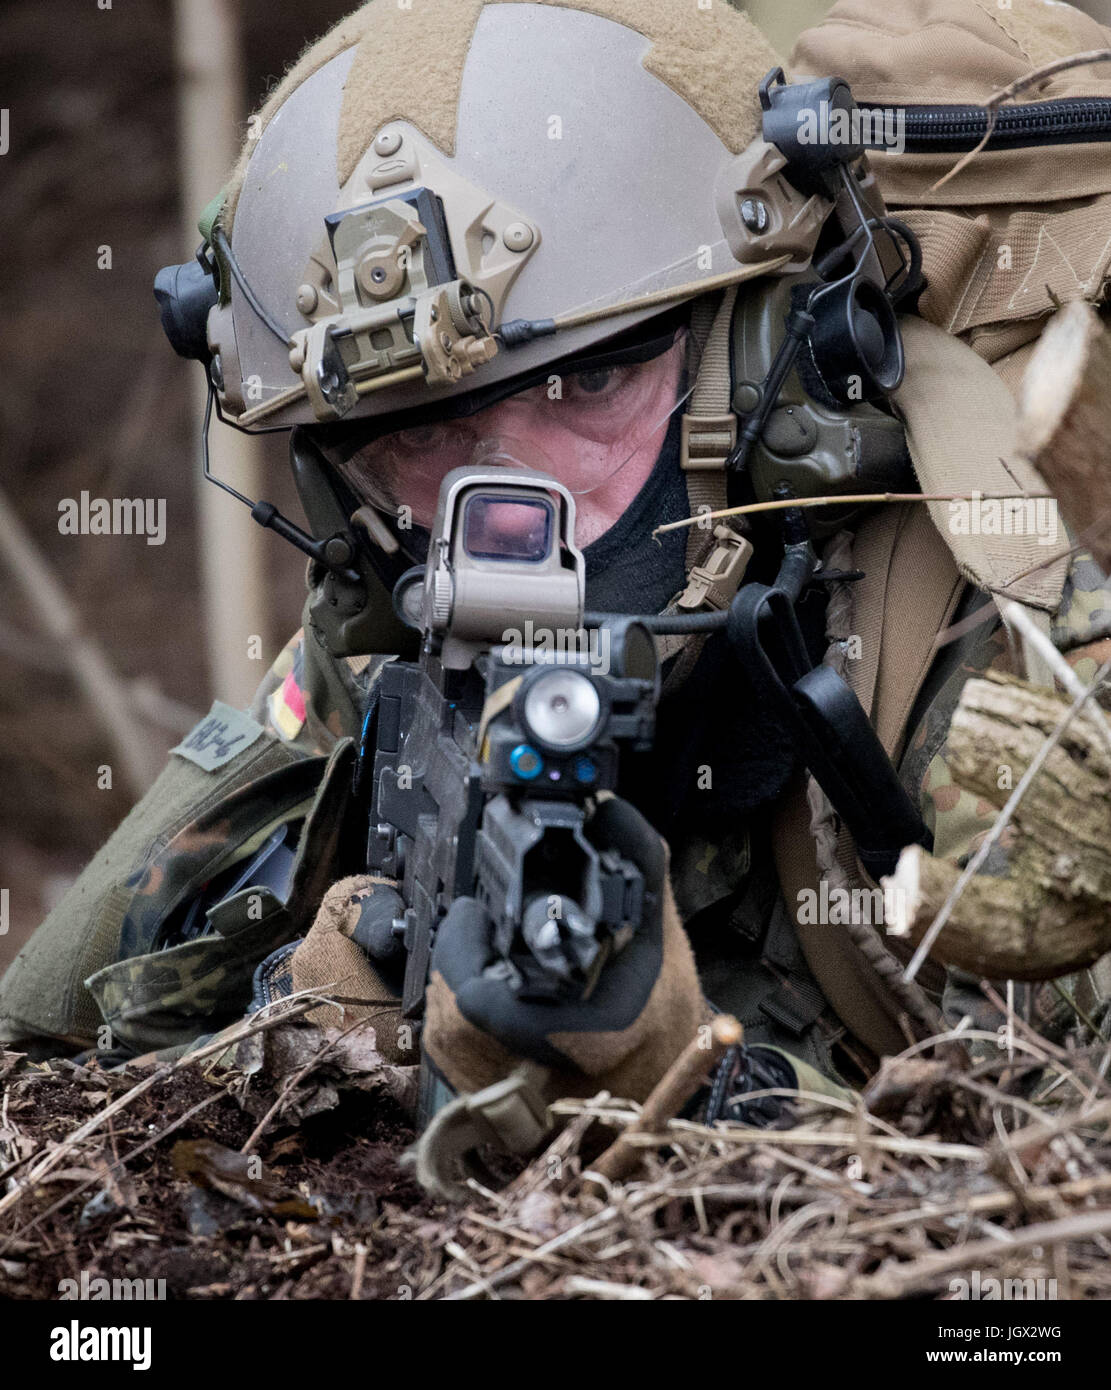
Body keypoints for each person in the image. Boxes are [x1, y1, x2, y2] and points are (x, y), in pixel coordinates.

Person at [4, 0, 1111, 1153]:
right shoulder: (402, 602)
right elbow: (47, 1076)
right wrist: (303, 1019)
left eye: (586, 391)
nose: (513, 509)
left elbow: (1057, 1185)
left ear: (757, 358)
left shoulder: (1011, 626)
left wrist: (710, 1103)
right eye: (424, 436)